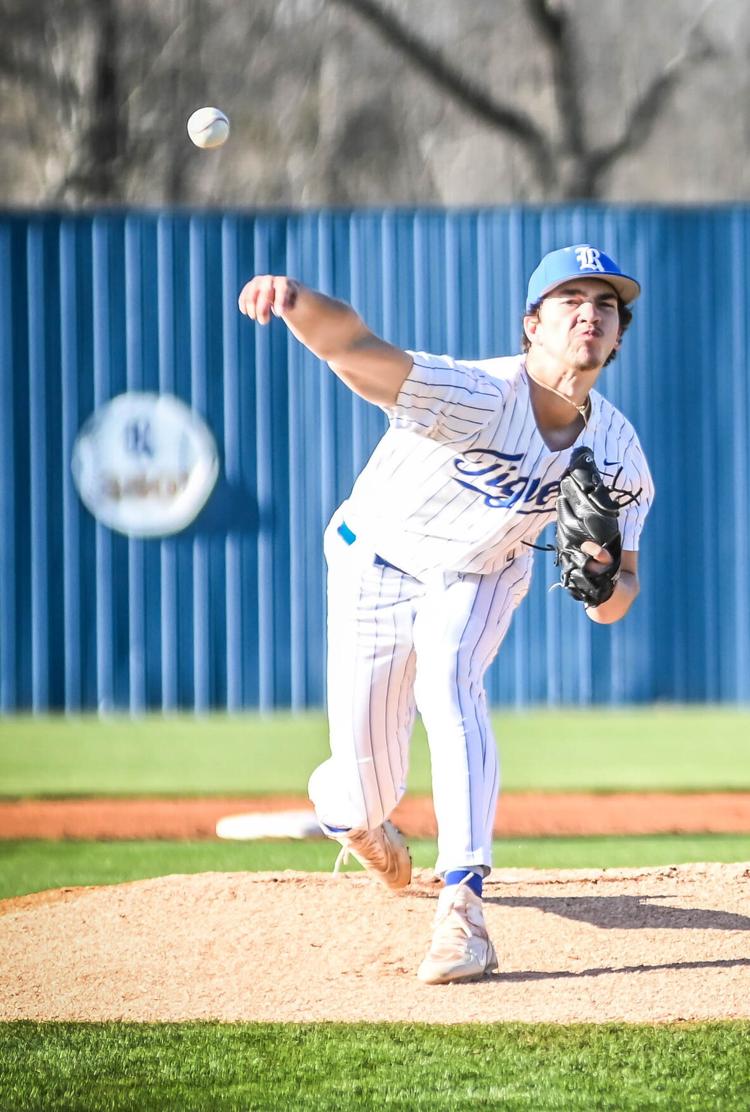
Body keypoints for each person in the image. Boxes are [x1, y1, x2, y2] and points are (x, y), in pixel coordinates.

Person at [238, 243, 654, 985]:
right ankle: (351, 820)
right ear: (532, 324)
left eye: (606, 305)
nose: (590, 314)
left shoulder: (619, 452)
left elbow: (618, 600)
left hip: (483, 571)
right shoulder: (478, 394)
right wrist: (295, 302)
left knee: (451, 683)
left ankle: (463, 909)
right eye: (570, 300)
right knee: (365, 791)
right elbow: (354, 347)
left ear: (619, 333)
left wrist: (600, 583)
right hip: (376, 561)